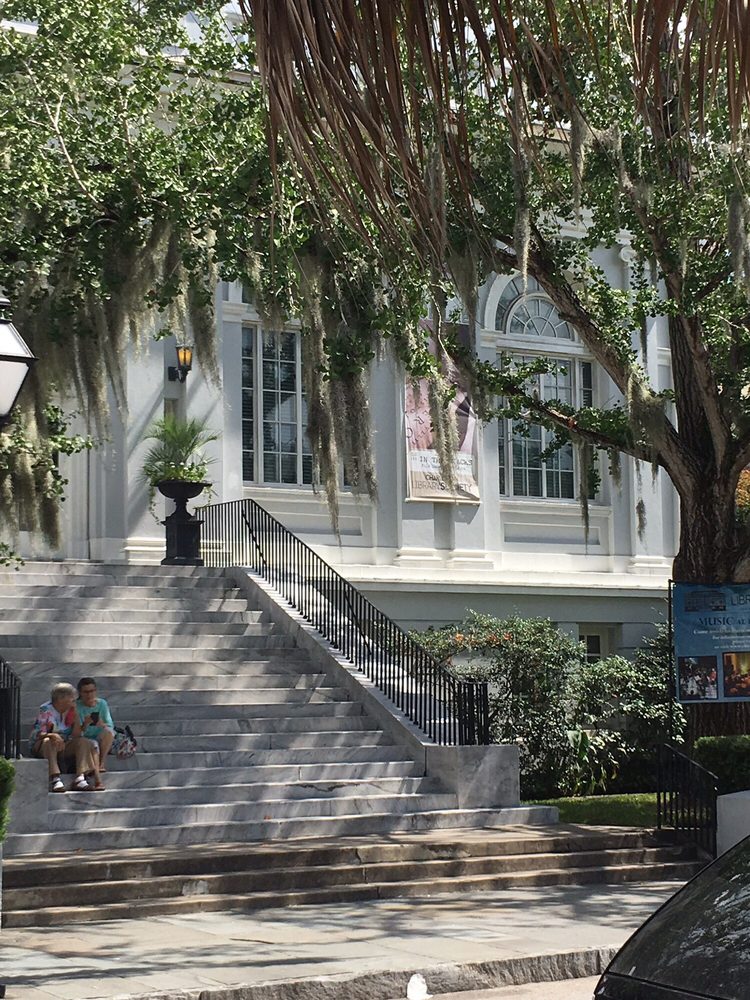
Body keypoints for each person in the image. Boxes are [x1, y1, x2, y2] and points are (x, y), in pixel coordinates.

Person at [30, 682, 103, 792]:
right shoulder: (46, 709)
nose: (74, 702)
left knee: (83, 742)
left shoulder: (71, 711)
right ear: (61, 699)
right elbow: (38, 733)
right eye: (72, 699)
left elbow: (77, 735)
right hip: (43, 745)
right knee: (48, 741)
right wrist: (52, 735)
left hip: (64, 744)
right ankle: (55, 778)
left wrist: (76, 717)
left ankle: (80, 778)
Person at [76, 677, 114, 773]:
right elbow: (77, 732)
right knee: (91, 743)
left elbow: (110, 725)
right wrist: (85, 724)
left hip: (99, 735)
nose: (89, 695)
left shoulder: (102, 704)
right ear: (80, 693)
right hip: (85, 737)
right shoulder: (76, 706)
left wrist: (102, 724)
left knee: (109, 732)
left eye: (92, 691)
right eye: (86, 692)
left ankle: (101, 763)